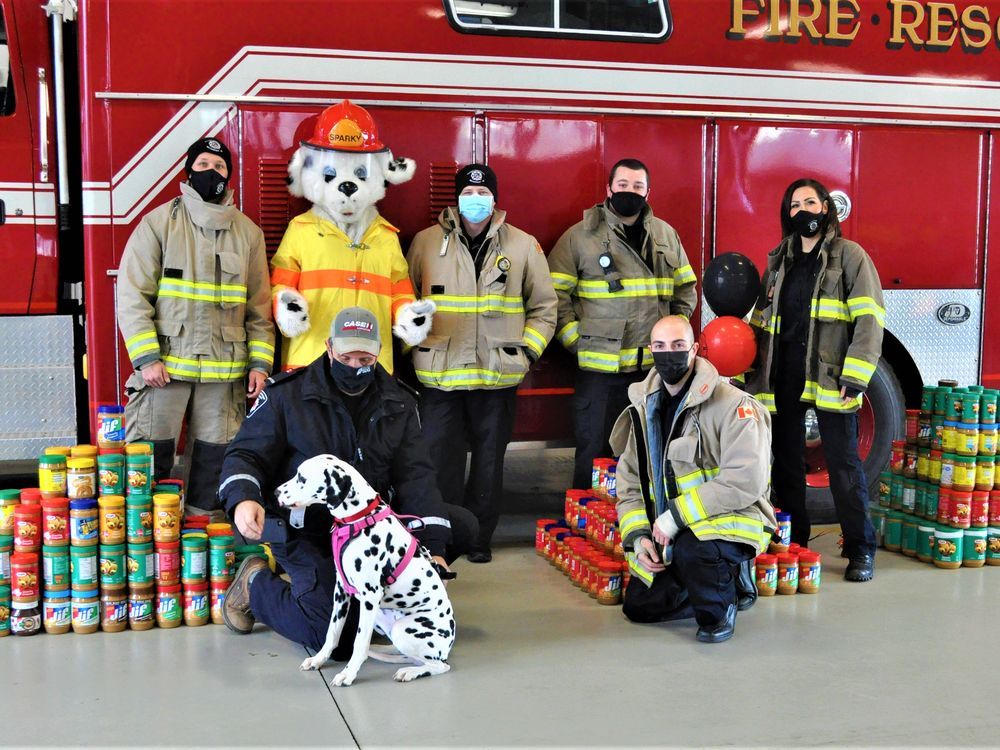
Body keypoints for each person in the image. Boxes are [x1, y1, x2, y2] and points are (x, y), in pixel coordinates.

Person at [218, 307, 478, 652]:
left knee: (459, 526)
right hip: (306, 530)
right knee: (334, 638)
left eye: (365, 359)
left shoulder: (398, 401)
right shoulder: (286, 395)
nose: (355, 367)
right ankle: (256, 585)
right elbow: (245, 454)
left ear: (379, 352)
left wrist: (434, 551)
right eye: (346, 358)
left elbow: (416, 476)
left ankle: (382, 597)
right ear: (329, 347)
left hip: (369, 527)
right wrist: (244, 498)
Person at [406, 164, 557, 563]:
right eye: (468, 193)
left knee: (489, 463)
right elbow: (404, 303)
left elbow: (545, 308)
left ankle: (478, 539)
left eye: (483, 193)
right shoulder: (425, 243)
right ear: (456, 199)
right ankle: (444, 538)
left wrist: (526, 353)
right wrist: (411, 352)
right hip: (440, 378)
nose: (476, 199)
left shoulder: (522, 245)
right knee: (440, 464)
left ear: (495, 199)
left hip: (497, 378)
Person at [116, 137, 274, 514]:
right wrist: (147, 357)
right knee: (148, 462)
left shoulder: (248, 234)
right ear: (189, 172)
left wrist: (260, 365)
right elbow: (132, 295)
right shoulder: (158, 224)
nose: (211, 172)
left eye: (219, 167)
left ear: (228, 176)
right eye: (203, 165)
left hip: (224, 376)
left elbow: (259, 309)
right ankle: (147, 538)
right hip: (164, 372)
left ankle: (203, 538)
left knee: (215, 465)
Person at [744, 178, 884, 582]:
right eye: (794, 205)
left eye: (810, 202)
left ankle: (860, 548)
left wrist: (856, 375)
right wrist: (748, 372)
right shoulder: (778, 261)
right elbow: (760, 322)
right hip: (783, 377)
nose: (802, 210)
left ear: (826, 208)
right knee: (787, 467)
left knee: (843, 467)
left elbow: (870, 319)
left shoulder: (850, 256)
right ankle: (795, 542)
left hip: (830, 377)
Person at [610, 315, 775, 643]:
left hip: (730, 519)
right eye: (660, 346)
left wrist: (675, 517)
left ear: (695, 349)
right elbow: (629, 485)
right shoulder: (644, 408)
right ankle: (714, 582)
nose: (668, 353)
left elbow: (746, 480)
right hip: (674, 527)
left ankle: (721, 607)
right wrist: (639, 538)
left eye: (678, 345)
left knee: (694, 553)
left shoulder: (735, 406)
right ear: (650, 350)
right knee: (639, 607)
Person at [548, 158, 698, 490]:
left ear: (648, 192)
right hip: (601, 373)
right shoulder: (580, 237)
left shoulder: (665, 235)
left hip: (654, 371)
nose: (630, 191)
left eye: (637, 186)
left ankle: (640, 520)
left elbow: (685, 290)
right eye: (623, 185)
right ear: (609, 189)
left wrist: (671, 340)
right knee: (594, 456)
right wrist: (578, 342)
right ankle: (585, 519)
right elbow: (553, 297)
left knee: (649, 454)